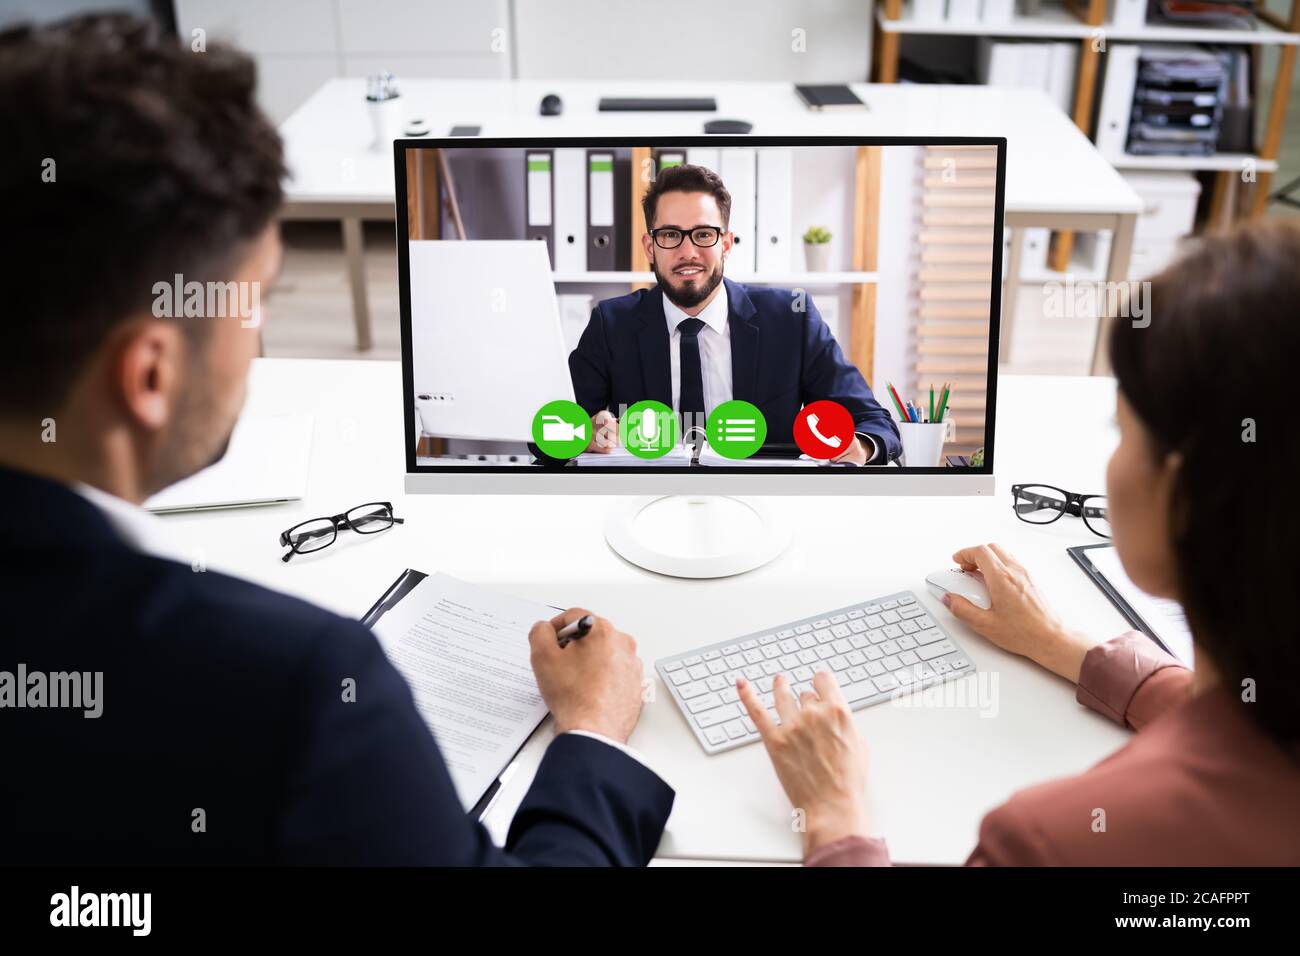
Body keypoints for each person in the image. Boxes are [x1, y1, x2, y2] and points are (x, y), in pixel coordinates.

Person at [0, 13, 672, 865]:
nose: (257, 341)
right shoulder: (294, 687)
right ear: (151, 376)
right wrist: (591, 737)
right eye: (257, 304)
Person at [736, 219, 1300, 865]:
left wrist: (835, 814)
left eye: (1123, 431)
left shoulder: (1043, 843)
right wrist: (1060, 644)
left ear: (1182, 493)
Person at [568, 164, 900, 464]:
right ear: (649, 247)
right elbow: (551, 427)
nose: (688, 252)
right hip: (647, 505)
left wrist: (858, 445)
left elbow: (873, 422)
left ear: (726, 244)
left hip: (764, 506)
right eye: (670, 235)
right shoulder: (611, 324)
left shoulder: (791, 319)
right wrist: (585, 435)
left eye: (703, 234)